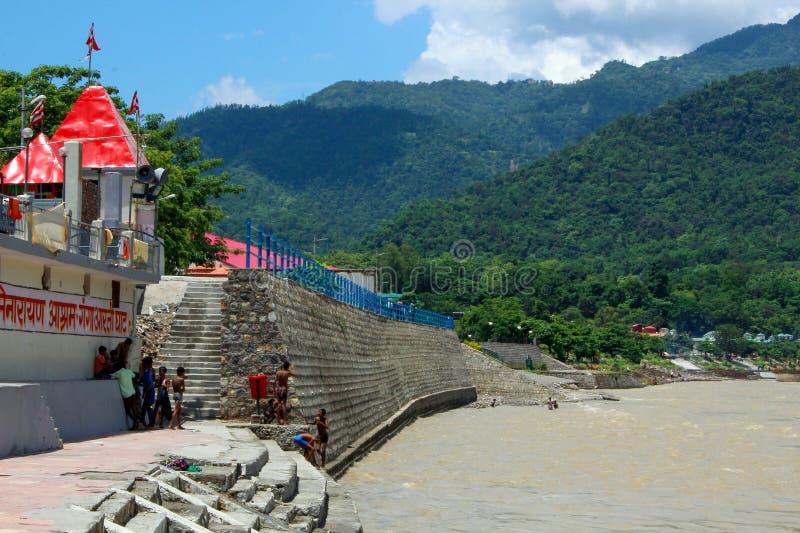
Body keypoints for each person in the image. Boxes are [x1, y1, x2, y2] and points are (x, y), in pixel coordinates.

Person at [111, 362, 141, 430]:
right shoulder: (129, 371)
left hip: (126, 394)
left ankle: (135, 420)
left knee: (128, 410)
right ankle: (136, 422)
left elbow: (111, 376)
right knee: (133, 409)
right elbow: (134, 376)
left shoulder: (118, 373)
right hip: (133, 392)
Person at [139, 356, 155, 429]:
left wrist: (145, 393)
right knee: (144, 408)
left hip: (149, 393)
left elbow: (150, 384)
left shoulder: (149, 371)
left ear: (145, 364)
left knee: (148, 408)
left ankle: (151, 424)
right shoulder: (148, 371)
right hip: (148, 392)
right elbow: (142, 380)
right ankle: (141, 422)